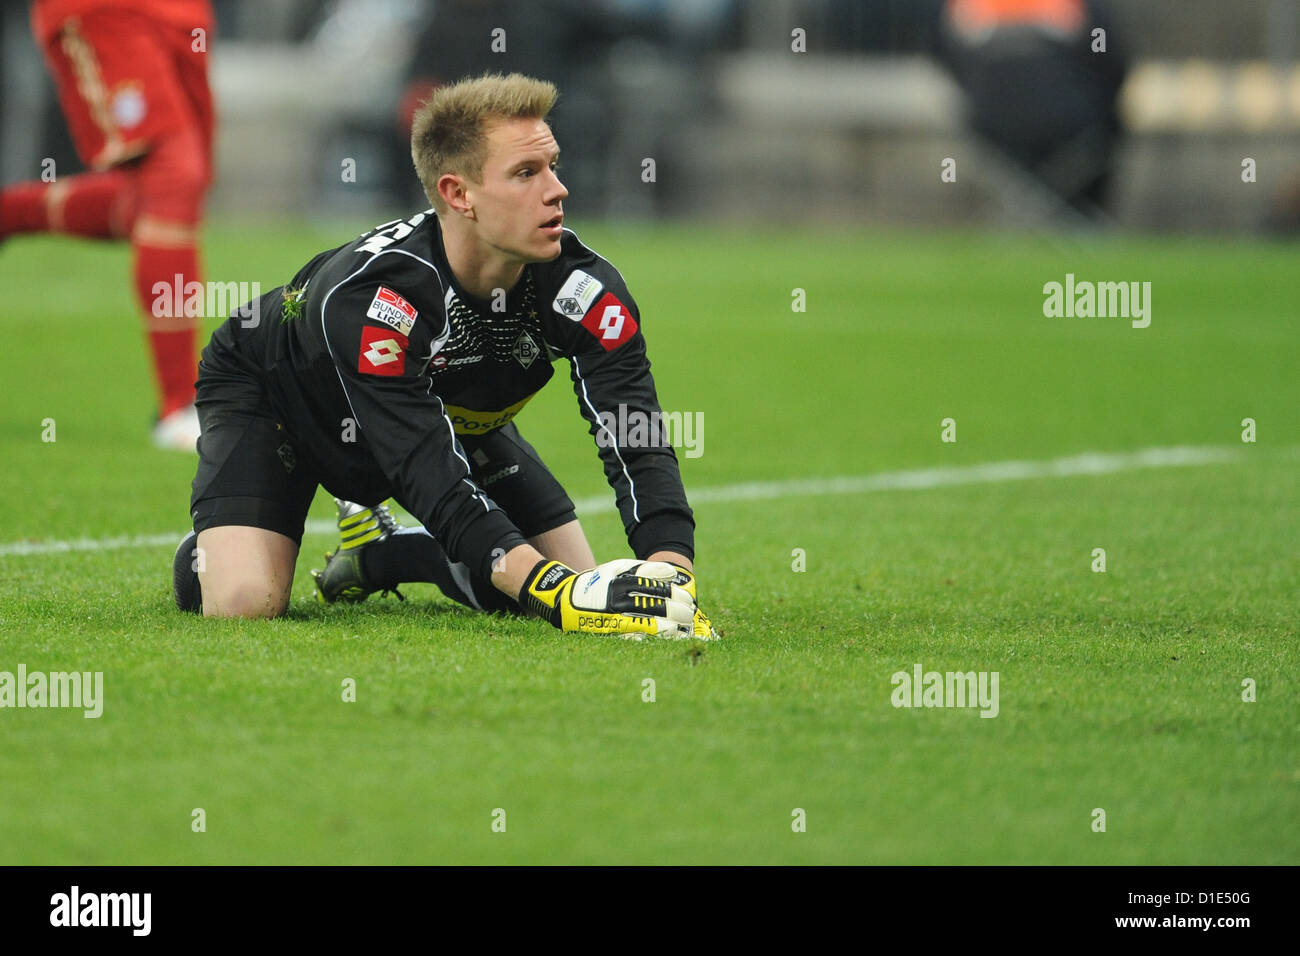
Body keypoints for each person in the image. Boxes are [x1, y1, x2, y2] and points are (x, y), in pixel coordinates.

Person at [171, 72, 716, 640]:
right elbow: (424, 469)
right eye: (527, 173)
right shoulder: (376, 299)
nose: (557, 190)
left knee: (572, 584)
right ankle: (212, 551)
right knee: (245, 602)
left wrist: (669, 566)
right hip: (279, 401)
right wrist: (550, 588)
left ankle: (386, 556)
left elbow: (635, 429)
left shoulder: (584, 288)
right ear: (459, 195)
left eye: (553, 165)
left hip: (441, 415)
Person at [0, 0, 215, 449]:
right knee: (175, 174)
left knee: (159, 200)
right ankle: (178, 406)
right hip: (108, 9)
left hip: (183, 14)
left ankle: (8, 213)